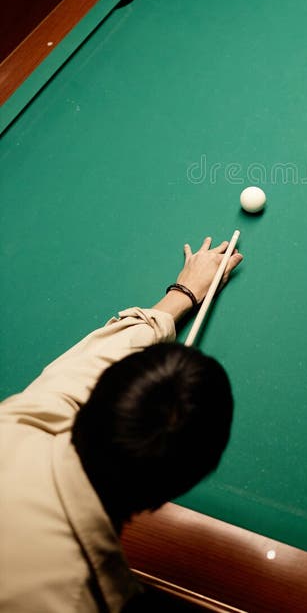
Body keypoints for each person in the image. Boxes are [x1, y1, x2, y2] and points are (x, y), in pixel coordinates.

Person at [0, 235, 243, 612]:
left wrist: (184, 292)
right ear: (175, 488)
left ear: (93, 398)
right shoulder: (79, 601)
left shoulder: (23, 418)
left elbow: (98, 359)